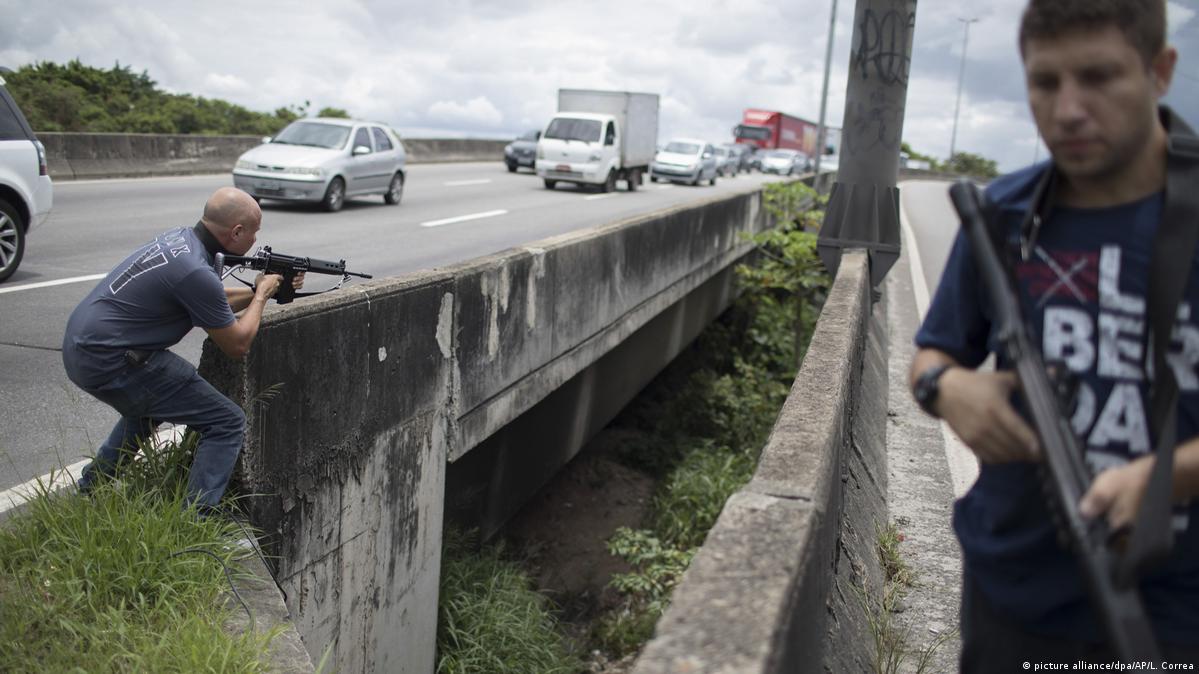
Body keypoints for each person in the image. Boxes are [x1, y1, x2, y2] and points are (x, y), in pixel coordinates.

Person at [910, 0, 1199, 668]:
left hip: (1176, 613)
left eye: (1097, 77)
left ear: (1159, 71)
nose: (1067, 109)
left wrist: (1165, 479)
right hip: (1014, 603)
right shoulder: (1002, 216)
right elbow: (933, 353)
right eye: (1044, 83)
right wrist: (946, 388)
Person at [63, 186, 293, 510]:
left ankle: (90, 489)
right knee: (227, 421)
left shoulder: (182, 241)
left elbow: (210, 298)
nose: (255, 240)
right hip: (111, 358)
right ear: (237, 231)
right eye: (254, 233)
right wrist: (261, 296)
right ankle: (195, 518)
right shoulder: (195, 271)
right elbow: (238, 343)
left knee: (147, 408)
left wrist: (261, 287)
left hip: (82, 346)